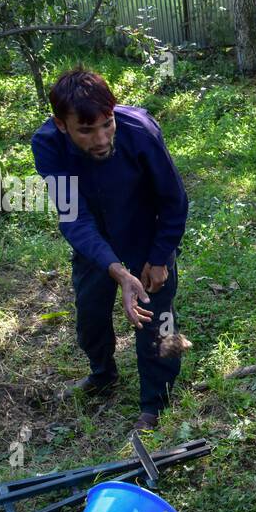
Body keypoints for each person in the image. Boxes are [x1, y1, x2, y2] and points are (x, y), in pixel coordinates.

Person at [32, 68, 189, 432]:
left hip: (146, 235)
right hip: (95, 245)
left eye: (107, 124)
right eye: (86, 131)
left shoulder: (141, 132)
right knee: (89, 315)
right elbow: (74, 218)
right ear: (61, 125)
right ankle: (102, 374)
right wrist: (116, 271)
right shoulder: (48, 146)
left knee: (158, 323)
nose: (101, 139)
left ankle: (156, 402)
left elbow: (174, 200)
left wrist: (160, 257)